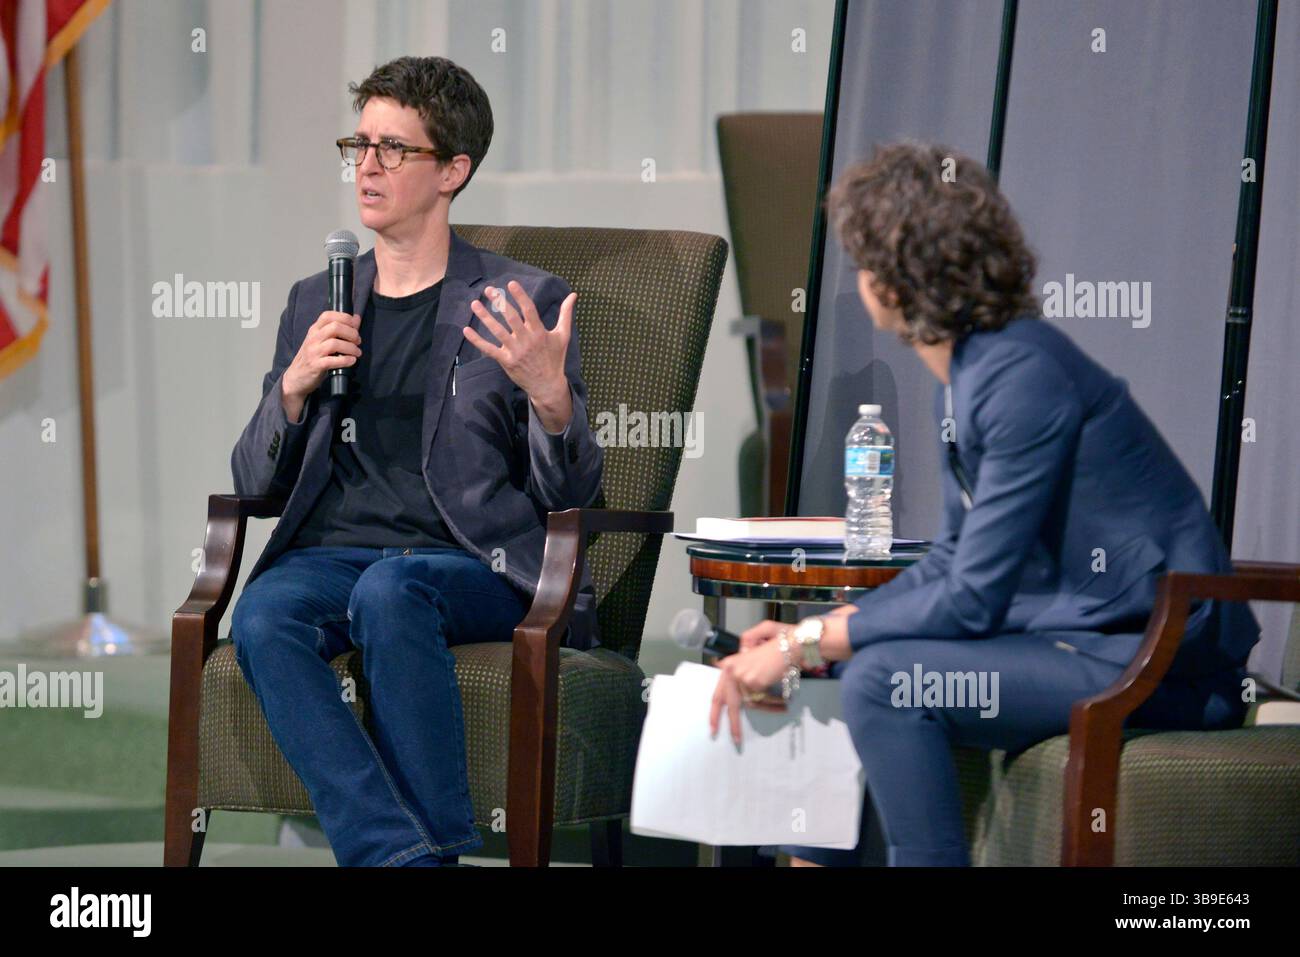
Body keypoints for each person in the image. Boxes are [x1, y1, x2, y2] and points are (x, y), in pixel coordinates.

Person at [708, 141, 1259, 867]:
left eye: (865, 262)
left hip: (1155, 664)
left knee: (885, 680)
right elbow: (952, 561)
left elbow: (972, 598)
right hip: (1083, 640)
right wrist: (821, 632)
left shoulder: (1021, 375)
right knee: (846, 666)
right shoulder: (971, 374)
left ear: (894, 283)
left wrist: (804, 641)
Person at [228, 56, 603, 867]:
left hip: (468, 560)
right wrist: (291, 391)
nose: (366, 166)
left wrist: (550, 399)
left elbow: (571, 493)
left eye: (393, 148)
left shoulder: (519, 301)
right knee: (261, 614)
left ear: (453, 171)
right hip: (332, 555)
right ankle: (402, 854)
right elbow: (253, 482)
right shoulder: (314, 299)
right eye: (358, 144)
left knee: (393, 588)